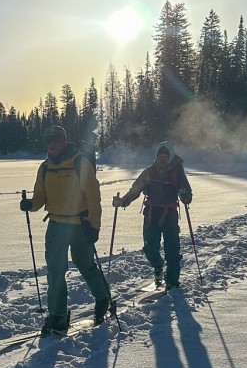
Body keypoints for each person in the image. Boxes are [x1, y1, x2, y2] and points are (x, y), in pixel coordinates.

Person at [20, 125, 112, 334]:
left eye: (56, 140)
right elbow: (40, 196)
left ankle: (102, 297)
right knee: (55, 270)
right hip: (56, 224)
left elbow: (93, 197)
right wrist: (31, 205)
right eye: (48, 141)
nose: (51, 145)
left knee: (85, 264)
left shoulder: (80, 163)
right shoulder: (45, 167)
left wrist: (94, 226)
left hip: (80, 224)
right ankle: (58, 315)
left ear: (64, 141)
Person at [114, 140, 193, 290]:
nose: (162, 159)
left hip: (170, 215)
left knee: (172, 251)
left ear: (170, 157)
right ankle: (158, 265)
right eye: (160, 156)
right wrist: (123, 201)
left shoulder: (177, 173)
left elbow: (187, 196)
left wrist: (185, 195)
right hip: (151, 214)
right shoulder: (149, 173)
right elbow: (135, 190)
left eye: (165, 157)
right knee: (150, 248)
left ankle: (172, 282)